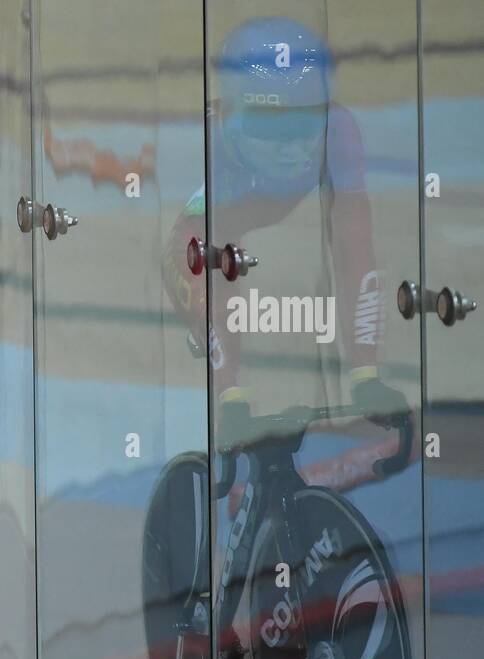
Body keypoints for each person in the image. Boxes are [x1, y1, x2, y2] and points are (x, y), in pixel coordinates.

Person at [163, 16, 406, 453]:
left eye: (305, 127)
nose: (293, 148)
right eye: (273, 130)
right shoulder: (207, 141)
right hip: (219, 217)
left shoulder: (340, 129)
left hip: (246, 203)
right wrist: (230, 396)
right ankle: (230, 390)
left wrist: (366, 375)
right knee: (204, 262)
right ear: (230, 116)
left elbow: (355, 251)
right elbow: (193, 257)